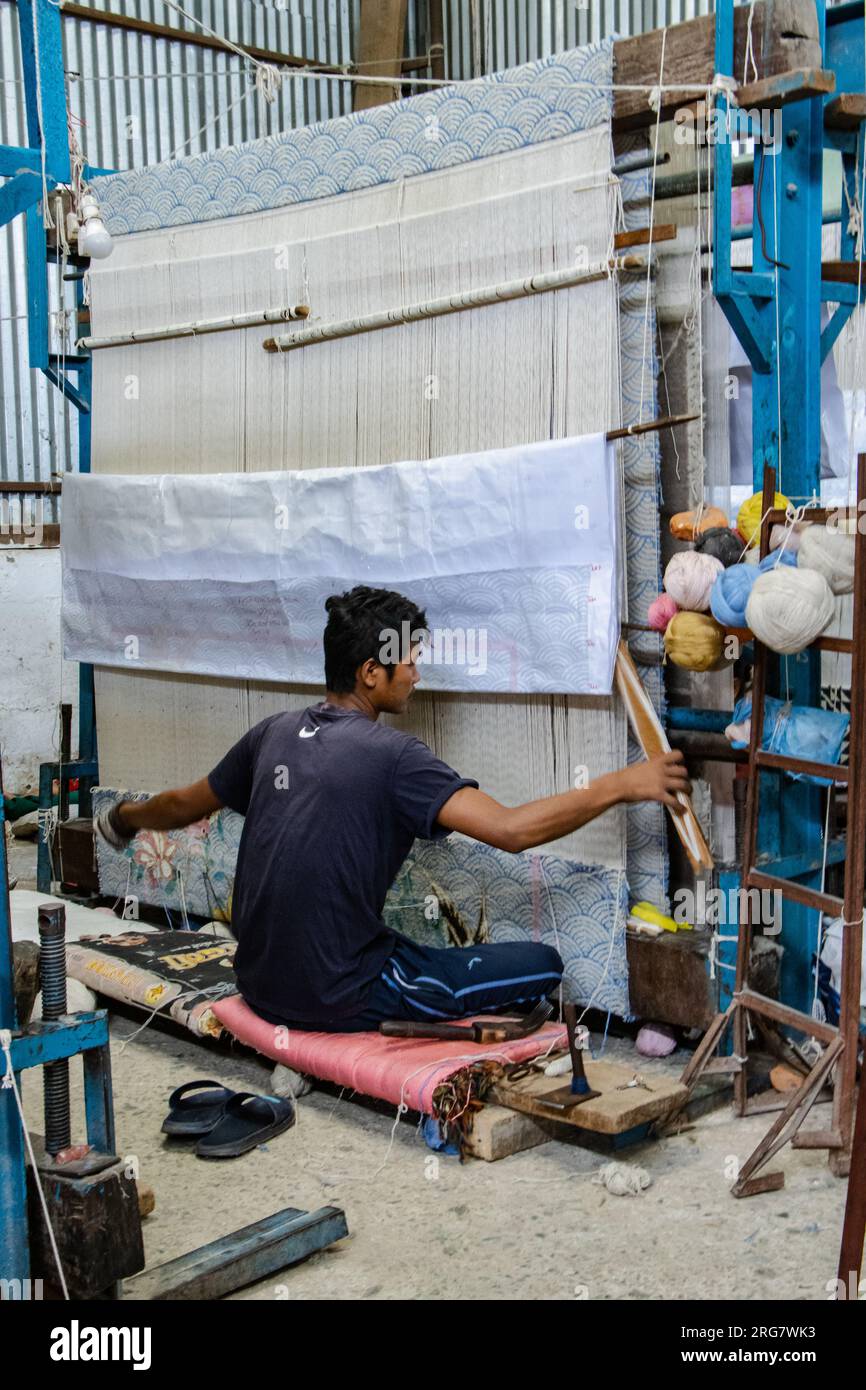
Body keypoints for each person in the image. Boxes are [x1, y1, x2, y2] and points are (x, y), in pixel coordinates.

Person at [98, 586, 691, 1032]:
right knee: (541, 963)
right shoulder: (394, 756)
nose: (416, 674)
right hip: (337, 993)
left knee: (403, 945)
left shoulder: (271, 733)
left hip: (256, 981)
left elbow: (182, 804)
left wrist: (123, 818)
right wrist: (622, 783)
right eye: (408, 661)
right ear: (370, 673)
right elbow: (510, 830)